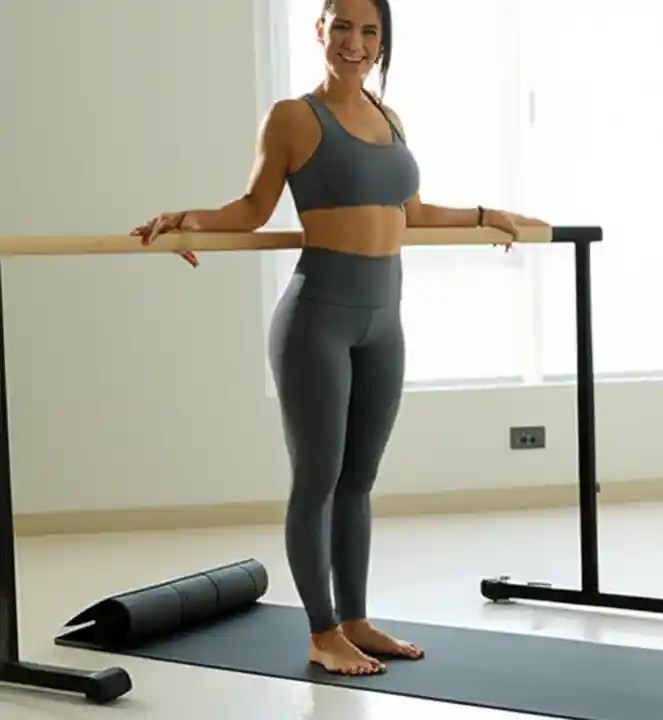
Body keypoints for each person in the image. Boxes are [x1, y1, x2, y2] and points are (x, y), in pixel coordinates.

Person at [130, 0, 546, 677]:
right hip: (317, 318)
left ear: (383, 42)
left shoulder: (390, 118)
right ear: (320, 30)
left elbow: (410, 212)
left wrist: (483, 214)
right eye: (343, 26)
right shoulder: (295, 116)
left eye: (370, 30)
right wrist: (190, 220)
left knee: (360, 480)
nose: (356, 42)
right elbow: (253, 208)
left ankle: (355, 619)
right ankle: (322, 633)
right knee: (317, 480)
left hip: (386, 318)